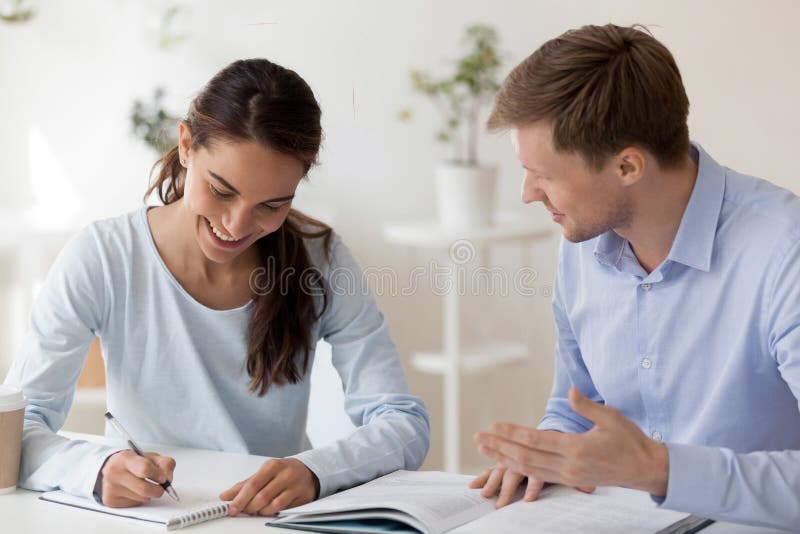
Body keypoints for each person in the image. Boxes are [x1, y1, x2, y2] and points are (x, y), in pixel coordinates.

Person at [3, 58, 429, 516]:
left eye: (271, 204)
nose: (236, 225)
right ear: (186, 145)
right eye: (222, 190)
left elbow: (402, 422)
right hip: (146, 519)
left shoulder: (320, 259)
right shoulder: (104, 256)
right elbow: (14, 430)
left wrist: (316, 470)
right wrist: (96, 468)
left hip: (269, 523)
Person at [470, 24, 800, 530]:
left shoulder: (784, 252)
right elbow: (577, 404)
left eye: (545, 174)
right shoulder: (582, 244)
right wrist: (543, 453)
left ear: (627, 166)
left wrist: (660, 471)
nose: (527, 194)